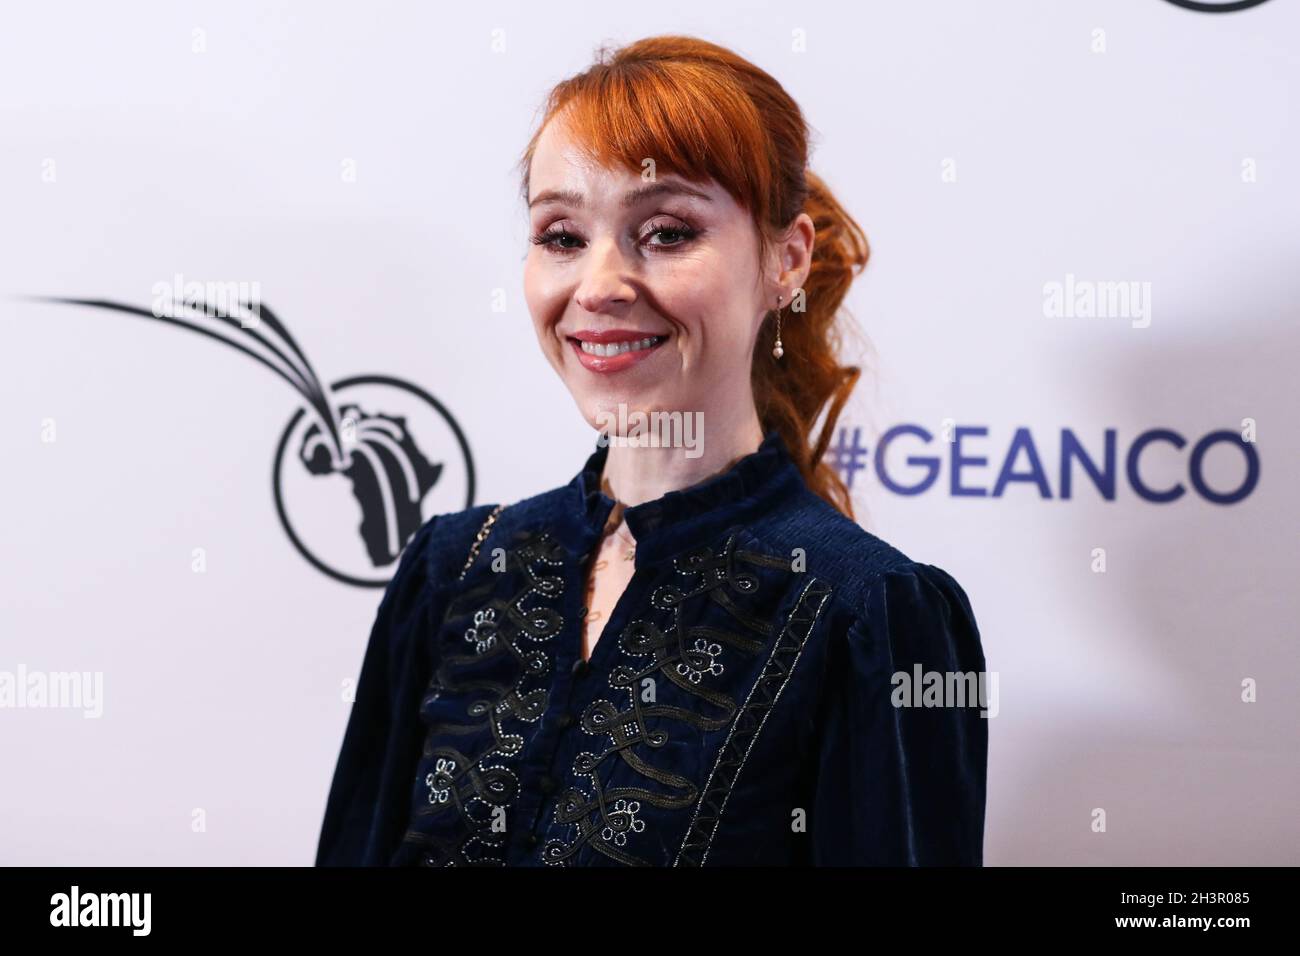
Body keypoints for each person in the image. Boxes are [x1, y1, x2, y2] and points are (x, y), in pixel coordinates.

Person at [315, 34, 987, 867]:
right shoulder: (452, 569)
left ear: (787, 260)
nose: (598, 286)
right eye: (561, 235)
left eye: (666, 232)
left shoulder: (870, 613)